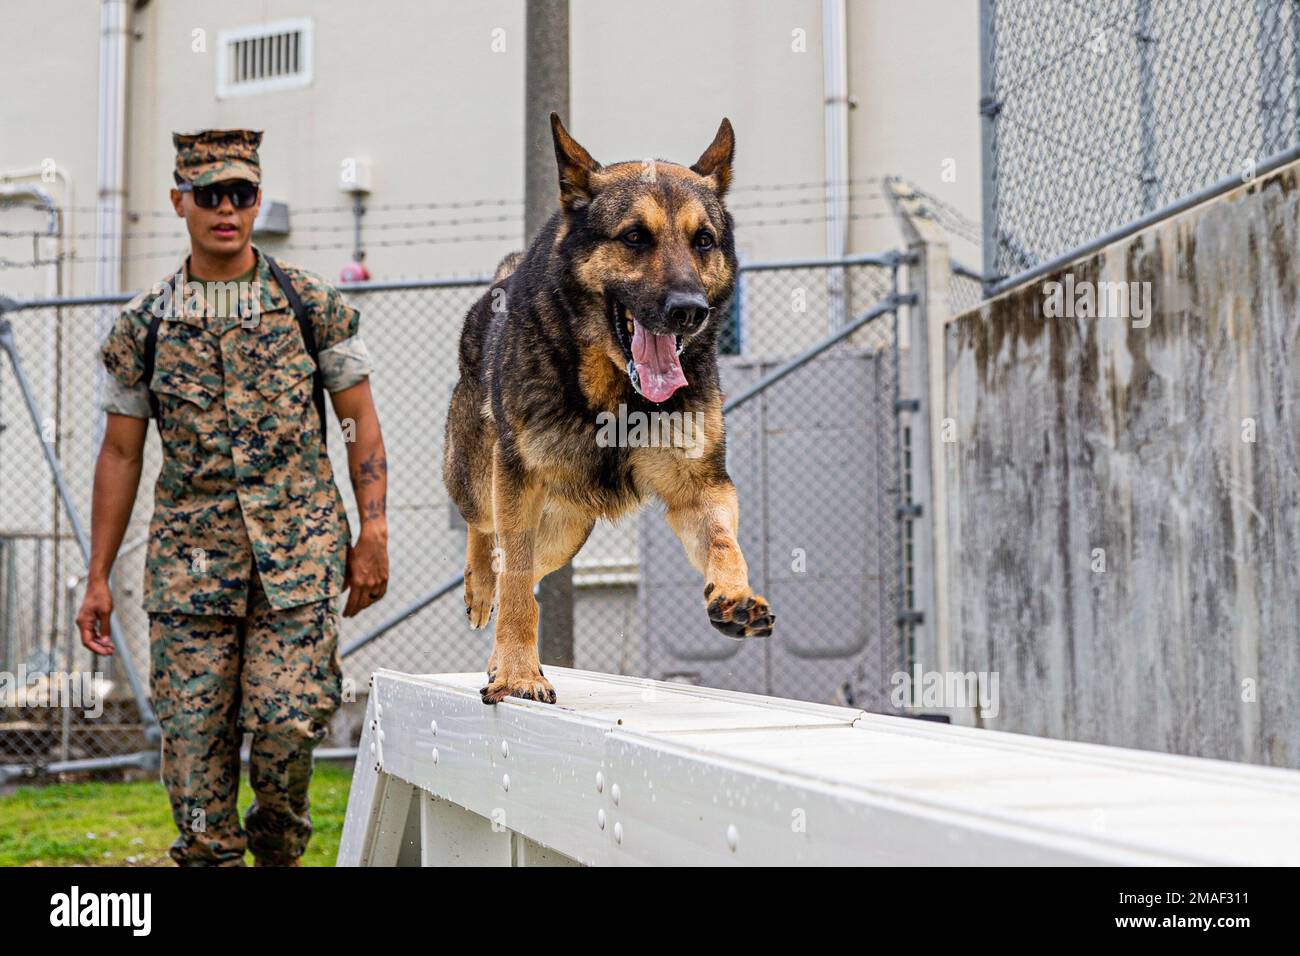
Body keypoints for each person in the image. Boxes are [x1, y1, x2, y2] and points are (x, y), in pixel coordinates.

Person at [76, 129, 390, 867]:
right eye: (209, 194)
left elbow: (359, 423)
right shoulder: (144, 326)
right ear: (178, 200)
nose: (226, 208)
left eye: (241, 194)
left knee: (285, 731)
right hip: (191, 575)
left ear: (257, 199)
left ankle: (278, 850)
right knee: (192, 751)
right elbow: (121, 453)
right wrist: (97, 573)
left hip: (299, 565)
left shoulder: (309, 303)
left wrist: (372, 532)